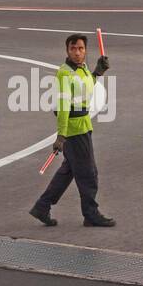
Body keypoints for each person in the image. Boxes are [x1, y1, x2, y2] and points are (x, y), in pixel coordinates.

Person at [29, 34, 115, 228]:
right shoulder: (65, 73)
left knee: (68, 171)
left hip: (83, 125)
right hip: (74, 130)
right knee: (88, 174)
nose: (77, 52)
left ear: (85, 51)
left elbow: (85, 89)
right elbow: (63, 105)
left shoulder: (82, 70)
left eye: (81, 49)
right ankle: (90, 214)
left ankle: (42, 206)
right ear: (67, 51)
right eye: (73, 48)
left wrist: (97, 73)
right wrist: (61, 135)